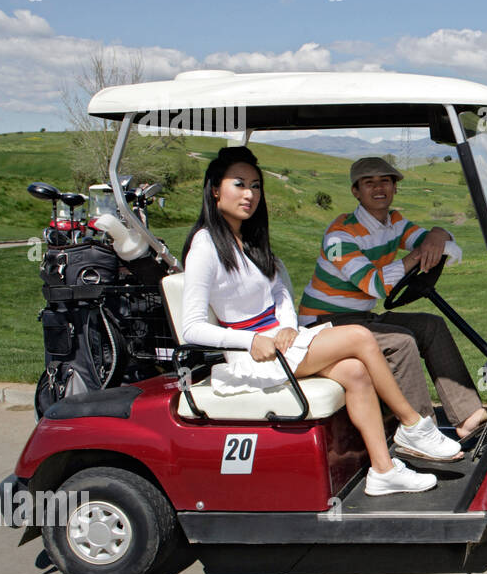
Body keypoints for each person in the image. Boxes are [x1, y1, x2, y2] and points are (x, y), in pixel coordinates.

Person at [180, 146, 452, 496]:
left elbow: (279, 292)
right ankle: (414, 424)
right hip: (253, 355)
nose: (249, 194)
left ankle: (383, 471)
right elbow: (191, 328)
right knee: (359, 337)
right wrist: (250, 341)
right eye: (239, 184)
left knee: (355, 370)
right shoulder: (205, 245)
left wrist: (289, 325)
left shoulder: (249, 238)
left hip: (280, 341)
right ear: (215, 189)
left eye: (256, 186)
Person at [297, 157, 487, 442]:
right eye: (369, 183)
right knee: (400, 341)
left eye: (385, 181)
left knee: (431, 326)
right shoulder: (340, 236)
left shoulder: (393, 222)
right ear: (356, 191)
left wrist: (438, 234)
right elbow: (373, 285)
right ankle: (419, 430)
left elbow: (437, 241)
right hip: (323, 326)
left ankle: (469, 417)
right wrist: (415, 256)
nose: (378, 188)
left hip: (359, 318)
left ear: (394, 187)